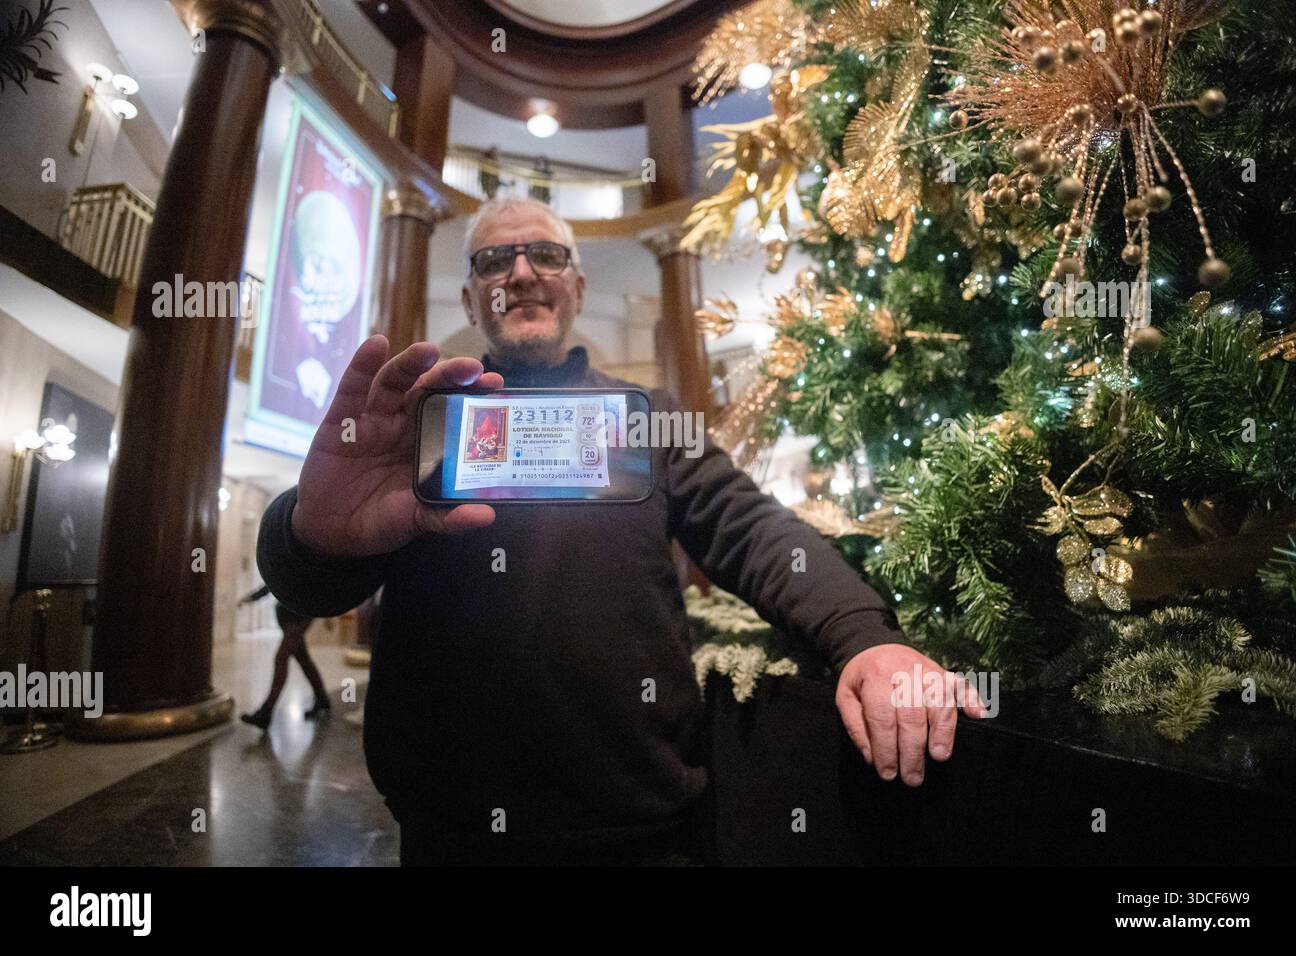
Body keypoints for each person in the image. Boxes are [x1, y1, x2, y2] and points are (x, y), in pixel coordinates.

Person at [256, 197, 986, 865]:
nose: (522, 272)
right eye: (493, 259)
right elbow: (318, 574)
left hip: (647, 828)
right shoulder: (425, 422)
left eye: (547, 255)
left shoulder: (649, 415)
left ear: (576, 286)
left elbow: (751, 529)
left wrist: (866, 636)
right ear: (470, 297)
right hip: (451, 831)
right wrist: (309, 532)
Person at [238, 583, 331, 731]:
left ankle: (266, 711)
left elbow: (320, 588)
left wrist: (328, 614)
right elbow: (271, 583)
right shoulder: (290, 565)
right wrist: (250, 598)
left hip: (299, 619)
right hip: (289, 619)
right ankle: (322, 699)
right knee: (304, 661)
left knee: (281, 658)